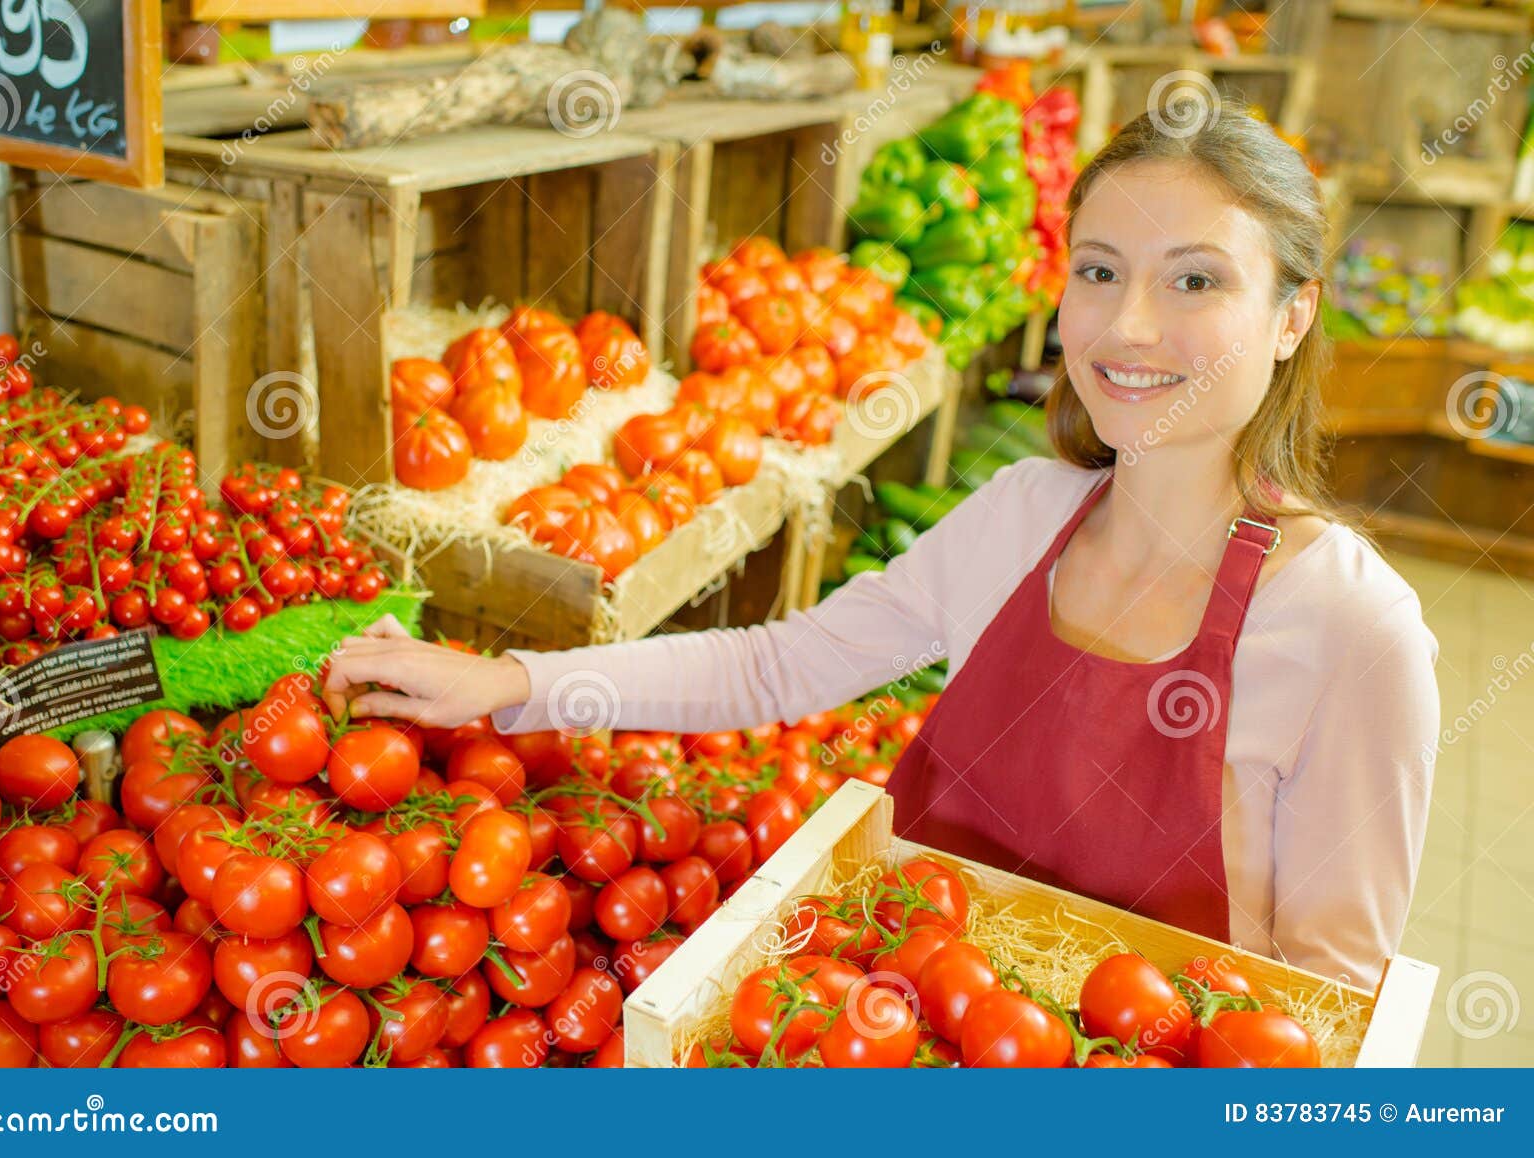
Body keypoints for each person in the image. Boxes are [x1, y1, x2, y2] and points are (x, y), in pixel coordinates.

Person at [324, 102, 1439, 991]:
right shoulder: (1017, 514)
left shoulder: (1351, 627)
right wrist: (510, 680)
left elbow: (1327, 1003)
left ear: (1292, 316)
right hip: (902, 1033)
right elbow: (778, 664)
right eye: (1098, 270)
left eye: (1195, 279)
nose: (1129, 325)